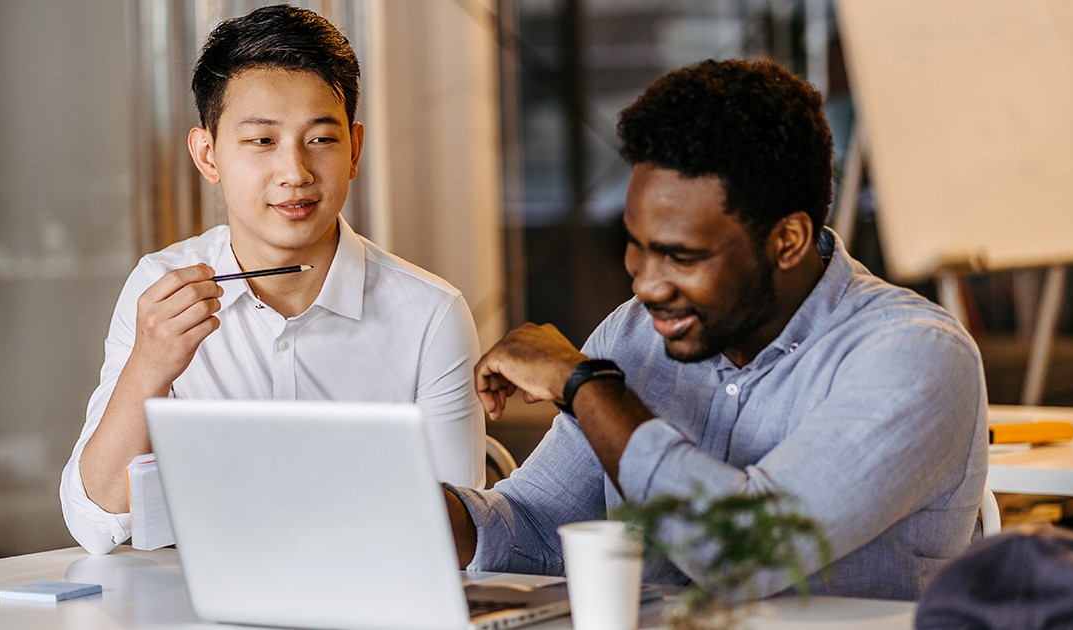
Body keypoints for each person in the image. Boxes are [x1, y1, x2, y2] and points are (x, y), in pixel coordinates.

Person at [445, 59, 988, 600]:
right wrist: (422, 508)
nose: (647, 284)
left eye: (682, 256)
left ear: (788, 241)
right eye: (636, 244)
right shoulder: (634, 334)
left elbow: (746, 555)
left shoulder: (917, 355)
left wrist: (586, 386)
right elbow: (536, 528)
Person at [61, 5, 485, 555]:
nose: (295, 173)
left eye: (321, 139)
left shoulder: (431, 315)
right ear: (208, 156)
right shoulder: (161, 288)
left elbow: (463, 541)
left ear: (355, 149)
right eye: (262, 141)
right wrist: (148, 368)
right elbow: (94, 521)